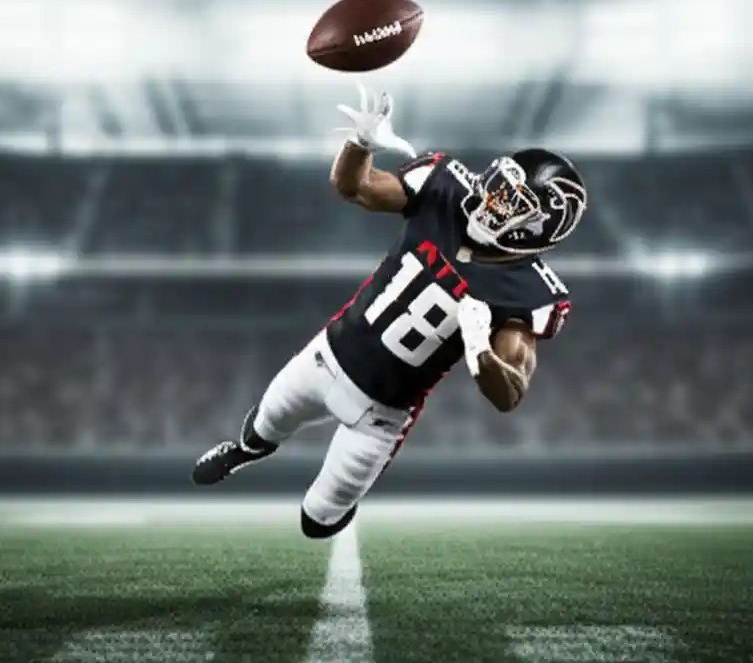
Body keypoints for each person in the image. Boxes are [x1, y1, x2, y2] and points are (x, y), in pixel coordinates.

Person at [192, 83, 587, 538]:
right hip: (327, 355)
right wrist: (359, 145)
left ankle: (340, 502)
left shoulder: (530, 293)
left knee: (317, 522)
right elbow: (353, 187)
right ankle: (242, 453)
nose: (493, 203)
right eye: (498, 188)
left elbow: (509, 394)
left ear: (541, 228)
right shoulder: (444, 187)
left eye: (514, 204)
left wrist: (480, 351)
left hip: (380, 414)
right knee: (264, 427)